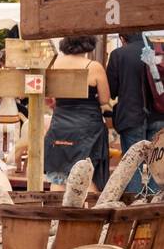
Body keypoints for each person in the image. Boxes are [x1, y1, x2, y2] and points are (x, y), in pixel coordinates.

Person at [43, 35, 111, 192]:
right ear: (89, 44)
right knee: (87, 176)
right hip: (88, 128)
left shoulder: (53, 64)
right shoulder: (93, 67)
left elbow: (48, 98)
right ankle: (86, 216)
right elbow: (104, 99)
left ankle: (57, 215)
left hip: (60, 125)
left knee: (59, 176)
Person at [107, 32, 164, 194]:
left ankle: (134, 209)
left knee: (132, 165)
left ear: (122, 38)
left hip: (131, 117)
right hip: (160, 115)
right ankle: (155, 208)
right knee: (157, 164)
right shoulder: (159, 50)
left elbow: (111, 91)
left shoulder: (119, 54)